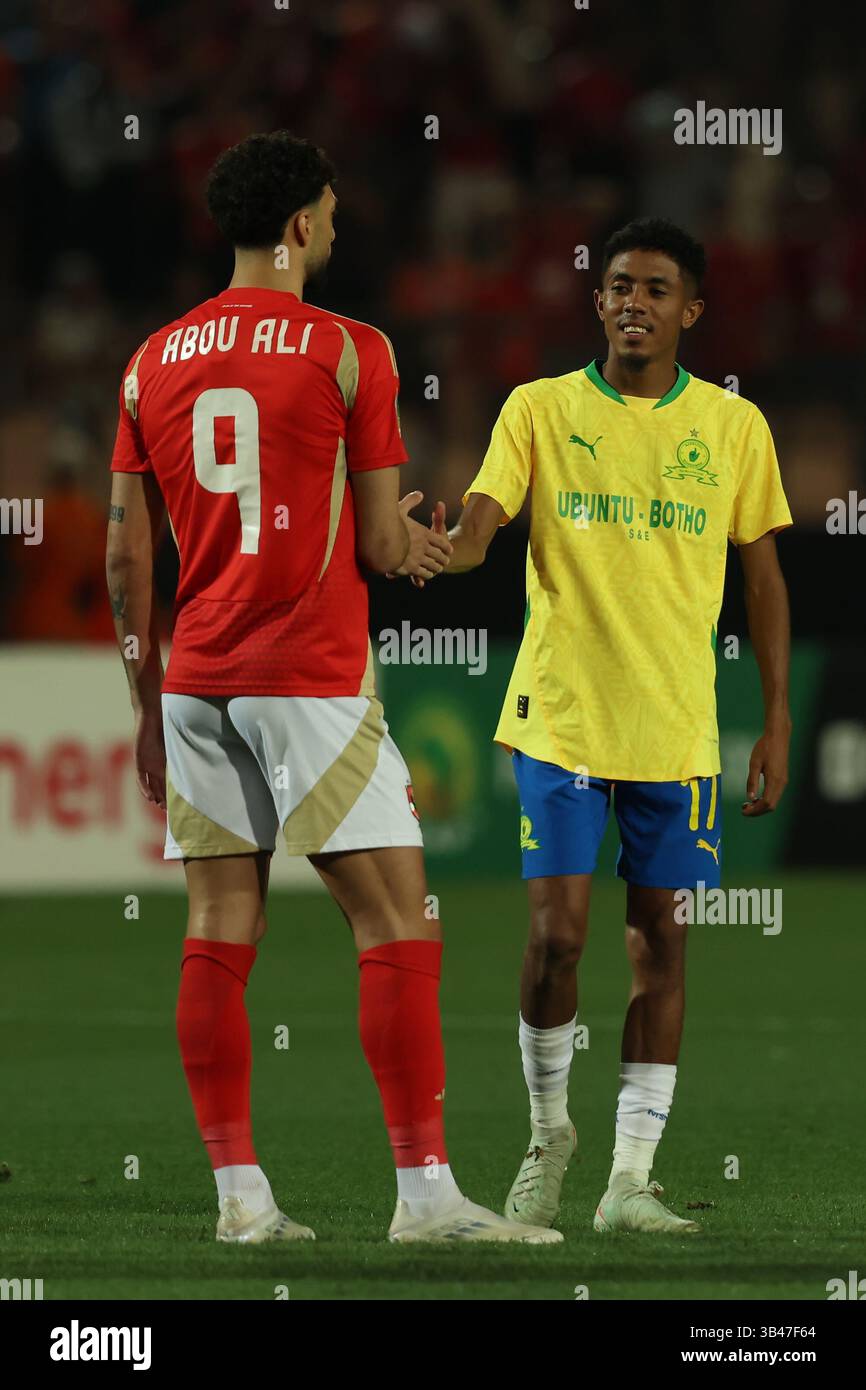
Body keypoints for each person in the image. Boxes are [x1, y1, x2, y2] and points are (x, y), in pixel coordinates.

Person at [105, 130, 561, 1247]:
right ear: (302, 223)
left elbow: (126, 559)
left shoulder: (148, 360)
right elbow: (372, 540)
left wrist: (143, 702)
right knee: (397, 920)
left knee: (219, 926)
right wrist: (416, 542)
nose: (338, 227)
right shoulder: (350, 348)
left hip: (196, 679)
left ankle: (241, 1202)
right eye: (333, 212)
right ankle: (424, 1199)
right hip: (306, 674)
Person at [432, 218, 792, 1233]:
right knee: (555, 936)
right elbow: (479, 529)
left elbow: (762, 579)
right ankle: (548, 1136)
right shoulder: (538, 409)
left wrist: (771, 716)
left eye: (655, 288)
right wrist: (433, 548)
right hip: (560, 715)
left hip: (676, 731)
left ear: (691, 310)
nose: (632, 301)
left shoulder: (732, 428)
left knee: (659, 945)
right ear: (596, 303)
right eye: (617, 285)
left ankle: (629, 1178)